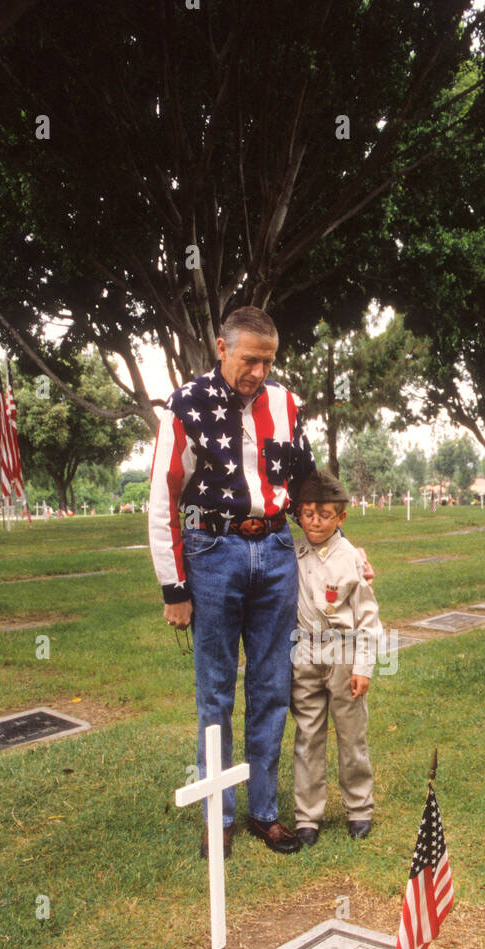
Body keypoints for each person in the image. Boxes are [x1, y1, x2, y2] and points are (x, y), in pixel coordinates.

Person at [148, 306, 317, 857]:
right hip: (212, 550)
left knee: (271, 688)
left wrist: (338, 547)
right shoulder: (185, 404)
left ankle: (264, 811)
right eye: (249, 360)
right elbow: (164, 498)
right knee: (216, 690)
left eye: (267, 362)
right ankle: (218, 814)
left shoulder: (286, 404)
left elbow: (307, 482)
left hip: (273, 548)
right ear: (222, 348)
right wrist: (175, 588)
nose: (258, 373)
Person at [290, 471, 382, 846]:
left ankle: (359, 807)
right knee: (307, 735)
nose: (315, 521)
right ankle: (307, 815)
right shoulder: (292, 552)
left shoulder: (351, 560)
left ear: (341, 517)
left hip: (343, 654)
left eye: (325, 514)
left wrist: (363, 667)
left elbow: (368, 620)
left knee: (351, 735)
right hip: (305, 652)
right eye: (308, 513)